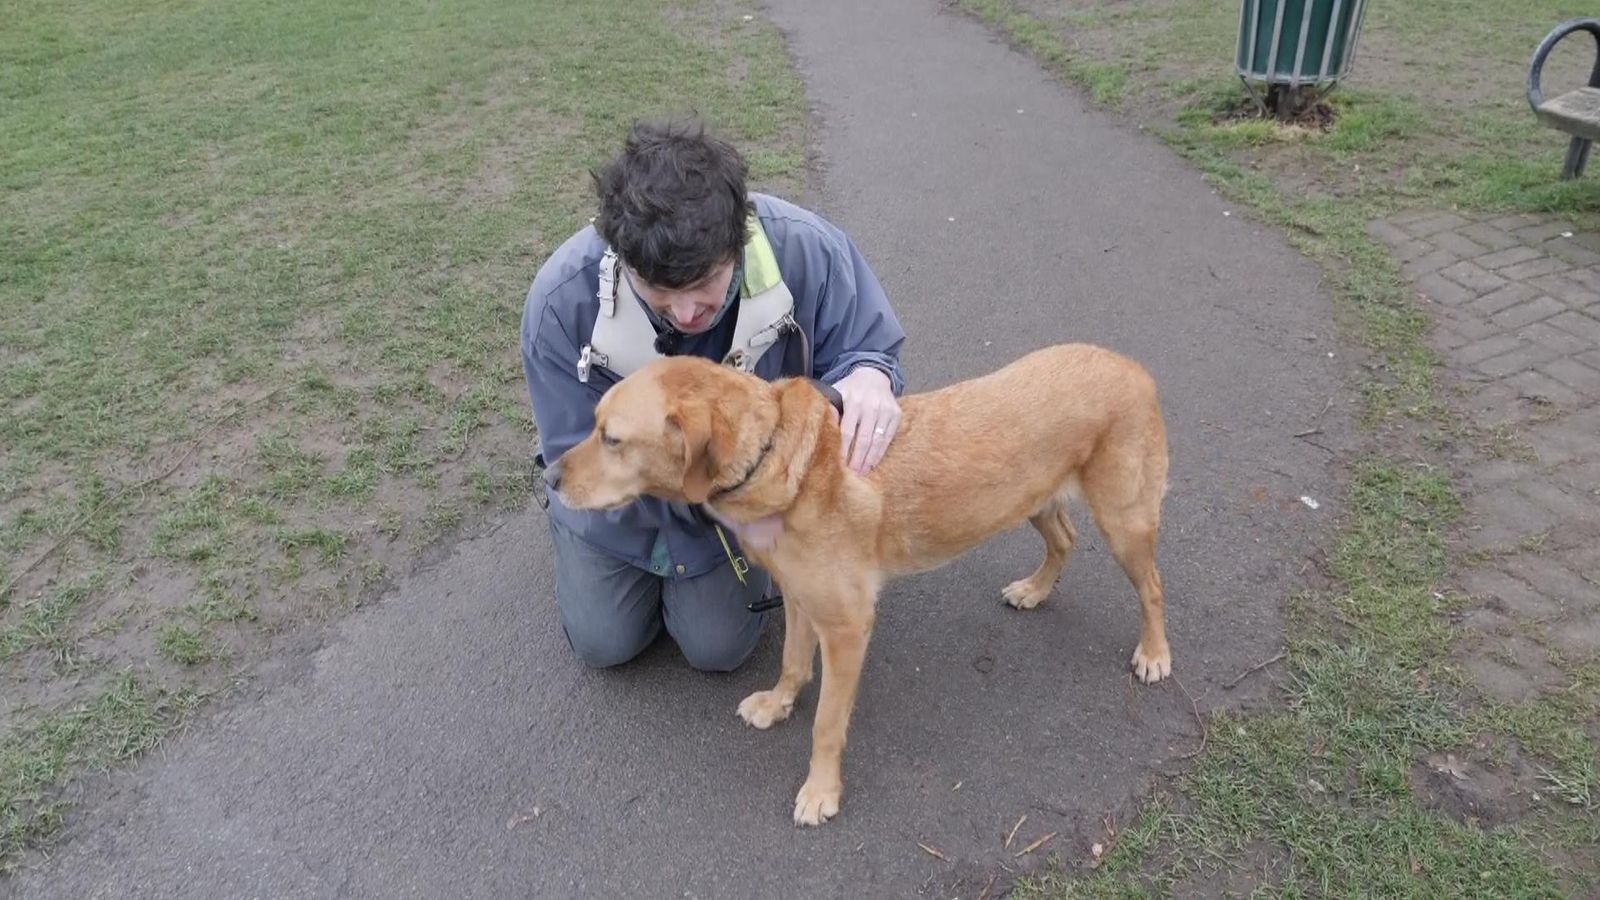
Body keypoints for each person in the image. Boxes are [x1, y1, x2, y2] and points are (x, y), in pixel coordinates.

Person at [521, 116, 907, 672]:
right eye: (660, 294)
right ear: (623, 260)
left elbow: (870, 345)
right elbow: (568, 445)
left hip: (733, 497)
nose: (684, 314)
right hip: (629, 505)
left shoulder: (806, 247)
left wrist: (871, 372)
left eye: (705, 285)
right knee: (605, 643)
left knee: (717, 648)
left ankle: (702, 576)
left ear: (739, 239)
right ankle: (590, 549)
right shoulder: (560, 304)